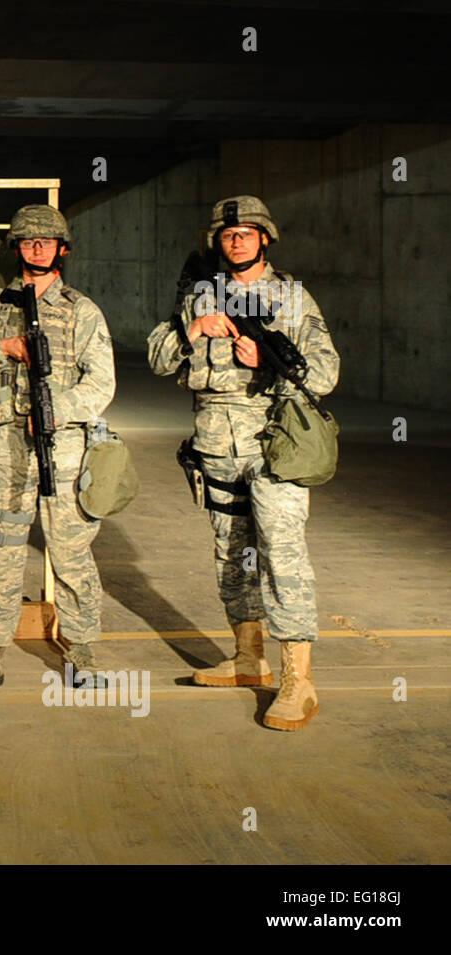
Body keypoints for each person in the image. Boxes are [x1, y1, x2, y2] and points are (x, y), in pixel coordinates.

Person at [147, 195, 339, 730]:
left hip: (273, 441)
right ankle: (247, 658)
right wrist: (193, 330)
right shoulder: (198, 298)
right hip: (214, 443)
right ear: (217, 242)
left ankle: (298, 680)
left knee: (282, 553)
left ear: (264, 239)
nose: (236, 240)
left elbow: (325, 372)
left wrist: (271, 368)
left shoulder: (291, 297)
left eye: (246, 233)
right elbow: (159, 360)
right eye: (228, 235)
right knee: (232, 556)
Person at [0, 205, 116, 689]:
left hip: (63, 449)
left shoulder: (81, 310)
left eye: (46, 241)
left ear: (61, 250)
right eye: (27, 241)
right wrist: (4, 348)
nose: (37, 248)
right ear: (16, 248)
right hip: (5, 448)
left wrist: (57, 407)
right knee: (0, 552)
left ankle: (81, 650)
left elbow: (101, 383)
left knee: (71, 552)